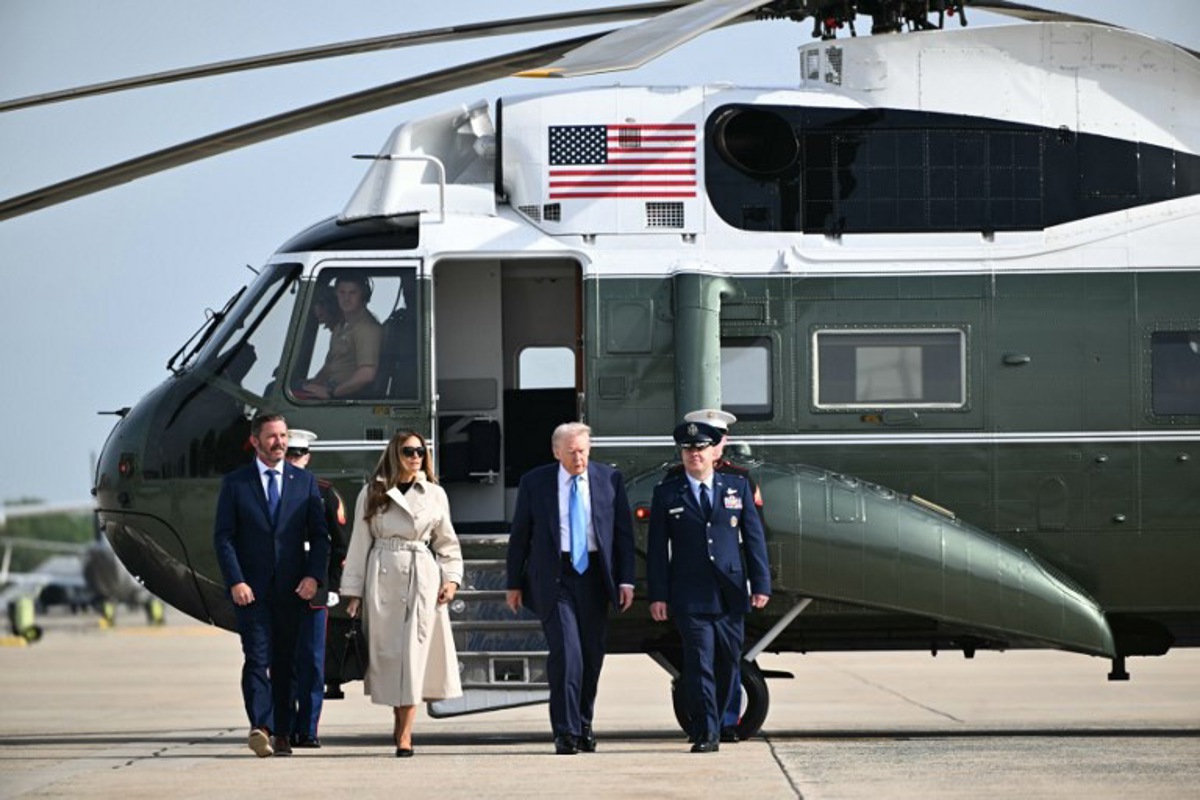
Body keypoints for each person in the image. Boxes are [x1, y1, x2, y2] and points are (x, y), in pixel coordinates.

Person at [505, 422, 636, 755]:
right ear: (556, 452)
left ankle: (583, 723)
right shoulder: (535, 482)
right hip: (555, 577)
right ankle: (565, 731)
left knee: (591, 656)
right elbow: (520, 535)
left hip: (595, 577)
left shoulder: (609, 479)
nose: (579, 458)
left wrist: (626, 580)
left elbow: (623, 535)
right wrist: (513, 583)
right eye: (572, 452)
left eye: (583, 450)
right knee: (568, 654)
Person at [647, 420, 771, 753]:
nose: (693, 455)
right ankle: (706, 731)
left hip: (730, 592)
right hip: (690, 594)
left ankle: (718, 721)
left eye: (700, 448)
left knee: (728, 662)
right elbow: (658, 550)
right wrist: (658, 595)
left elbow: (755, 540)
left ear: (713, 452)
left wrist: (761, 584)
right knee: (699, 661)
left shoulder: (736, 487)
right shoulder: (668, 493)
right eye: (688, 449)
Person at [213, 413, 331, 758]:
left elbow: (320, 537)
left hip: (293, 590)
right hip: (251, 591)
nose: (279, 442)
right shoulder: (236, 483)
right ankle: (259, 727)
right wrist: (236, 580)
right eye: (272, 437)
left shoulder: (304, 481)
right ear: (255, 441)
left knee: (286, 663)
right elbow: (224, 538)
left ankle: (282, 730)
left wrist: (313, 577)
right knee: (257, 658)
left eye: (282, 436)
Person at [340, 431, 463, 758]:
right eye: (409, 451)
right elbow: (359, 543)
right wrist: (353, 591)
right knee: (390, 658)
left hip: (421, 575)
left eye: (421, 451)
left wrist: (451, 579)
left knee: (413, 656)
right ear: (396, 453)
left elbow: (447, 542)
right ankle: (399, 725)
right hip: (383, 576)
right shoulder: (372, 492)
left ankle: (405, 735)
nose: (416, 457)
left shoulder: (435, 494)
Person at [283, 429, 351, 749]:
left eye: (298, 455)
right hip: (281, 586)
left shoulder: (323, 493)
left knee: (312, 661)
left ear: (308, 457)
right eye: (288, 455)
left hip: (315, 586)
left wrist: (332, 585)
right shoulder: (269, 490)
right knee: (283, 661)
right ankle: (284, 724)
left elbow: (338, 545)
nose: (293, 460)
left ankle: (308, 729)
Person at [302, 273, 382, 400]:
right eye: (342, 293)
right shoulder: (341, 326)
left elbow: (367, 374)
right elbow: (329, 366)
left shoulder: (366, 329)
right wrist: (312, 385)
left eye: (352, 293)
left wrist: (332, 393)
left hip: (343, 396)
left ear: (363, 295)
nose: (346, 298)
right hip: (331, 387)